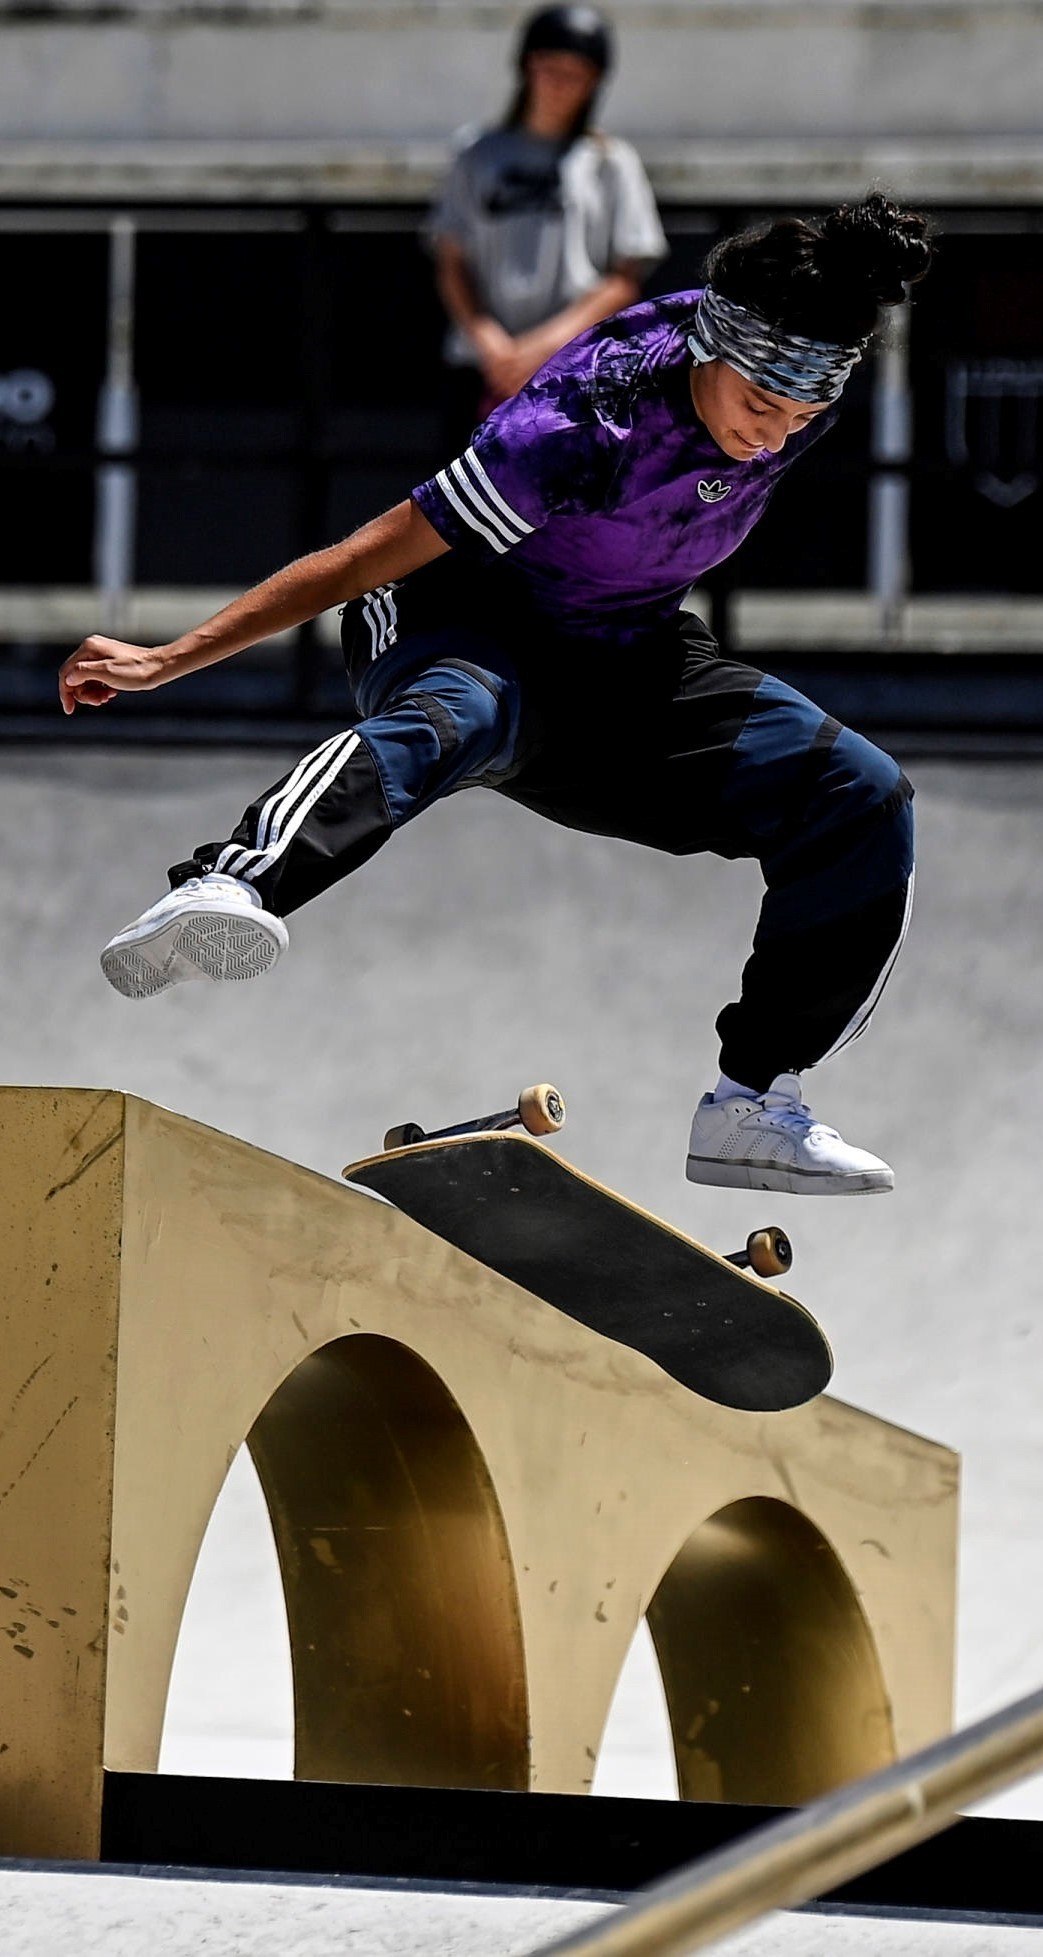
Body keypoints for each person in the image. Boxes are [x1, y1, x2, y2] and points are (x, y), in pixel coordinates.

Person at [59, 193, 931, 1198]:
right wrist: (169, 658)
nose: (765, 439)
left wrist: (805, 378)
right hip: (456, 618)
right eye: (753, 409)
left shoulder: (783, 380)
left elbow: (792, 363)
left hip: (618, 657)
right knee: (460, 711)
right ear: (710, 356)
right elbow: (355, 559)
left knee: (857, 794)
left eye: (795, 420)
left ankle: (751, 1102)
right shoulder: (577, 425)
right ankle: (230, 882)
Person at [429, 3, 667, 447]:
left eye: (574, 73)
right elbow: (451, 258)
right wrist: (491, 342)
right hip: (481, 367)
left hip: (574, 368)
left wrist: (541, 349)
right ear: (526, 66)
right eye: (549, 68)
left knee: (560, 510)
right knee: (463, 509)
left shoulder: (611, 162)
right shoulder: (477, 154)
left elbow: (624, 278)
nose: (559, 85)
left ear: (594, 81)